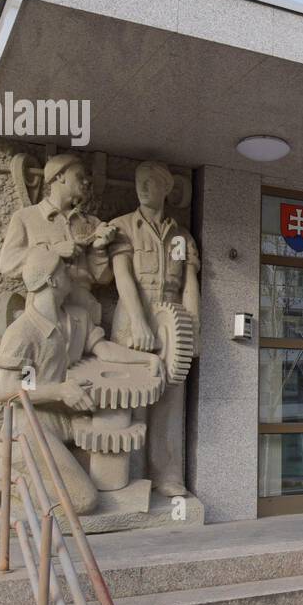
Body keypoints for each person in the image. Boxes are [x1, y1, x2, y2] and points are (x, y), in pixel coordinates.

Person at [0, 249, 162, 514]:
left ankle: (30, 470)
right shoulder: (22, 332)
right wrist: (59, 391)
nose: (69, 273)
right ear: (51, 280)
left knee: (115, 465)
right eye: (63, 269)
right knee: (83, 499)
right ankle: (13, 481)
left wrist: (144, 360)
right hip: (31, 424)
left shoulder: (77, 317)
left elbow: (104, 349)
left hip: (69, 420)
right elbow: (8, 389)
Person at [109, 161, 200, 497]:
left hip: (172, 319)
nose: (143, 187)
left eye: (150, 182)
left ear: (166, 188)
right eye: (138, 180)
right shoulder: (121, 227)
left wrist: (194, 330)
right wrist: (138, 322)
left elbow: (190, 285)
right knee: (133, 397)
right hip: (136, 314)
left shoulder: (181, 236)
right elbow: (123, 278)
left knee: (170, 398)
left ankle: (167, 475)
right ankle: (129, 474)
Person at [0, 153, 116, 325]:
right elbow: (6, 263)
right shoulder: (26, 217)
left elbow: (103, 278)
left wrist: (99, 249)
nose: (86, 182)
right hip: (46, 309)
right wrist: (52, 252)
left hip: (85, 308)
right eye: (80, 176)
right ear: (59, 176)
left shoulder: (92, 223)